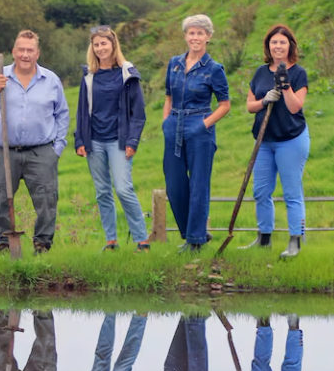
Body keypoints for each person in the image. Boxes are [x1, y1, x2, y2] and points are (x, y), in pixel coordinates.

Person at [0, 30, 69, 255]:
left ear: (37, 53)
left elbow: (62, 114)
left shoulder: (51, 80)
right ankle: (5, 243)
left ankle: (42, 244)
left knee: (47, 197)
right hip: (4, 151)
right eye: (21, 50)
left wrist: (57, 148)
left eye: (30, 50)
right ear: (13, 52)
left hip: (41, 151)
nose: (25, 55)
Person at [73, 26, 149, 251]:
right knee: (103, 191)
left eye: (104, 43)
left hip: (119, 140)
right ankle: (111, 240)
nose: (100, 48)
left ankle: (142, 239)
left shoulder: (127, 73)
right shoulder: (89, 76)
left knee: (123, 188)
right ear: (92, 48)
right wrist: (80, 140)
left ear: (113, 45)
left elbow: (139, 113)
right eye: (96, 45)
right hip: (94, 140)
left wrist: (132, 141)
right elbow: (81, 111)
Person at [161, 14, 231, 250]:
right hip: (174, 125)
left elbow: (225, 105)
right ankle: (192, 232)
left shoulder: (214, 69)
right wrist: (166, 123)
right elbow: (168, 96)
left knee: (199, 185)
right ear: (185, 36)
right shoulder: (175, 63)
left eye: (200, 33)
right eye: (191, 33)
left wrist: (204, 124)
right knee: (174, 185)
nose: (195, 37)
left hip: (200, 126)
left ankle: (195, 240)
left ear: (208, 37)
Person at [245, 24, 311, 258]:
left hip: (291, 139)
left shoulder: (298, 73)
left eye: (282, 42)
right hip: (264, 140)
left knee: (292, 192)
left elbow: (295, 107)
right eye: (274, 42)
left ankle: (295, 240)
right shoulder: (261, 73)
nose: (278, 46)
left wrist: (284, 87)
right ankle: (264, 238)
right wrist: (264, 100)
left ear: (290, 45)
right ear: (268, 46)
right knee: (261, 191)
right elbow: (250, 105)